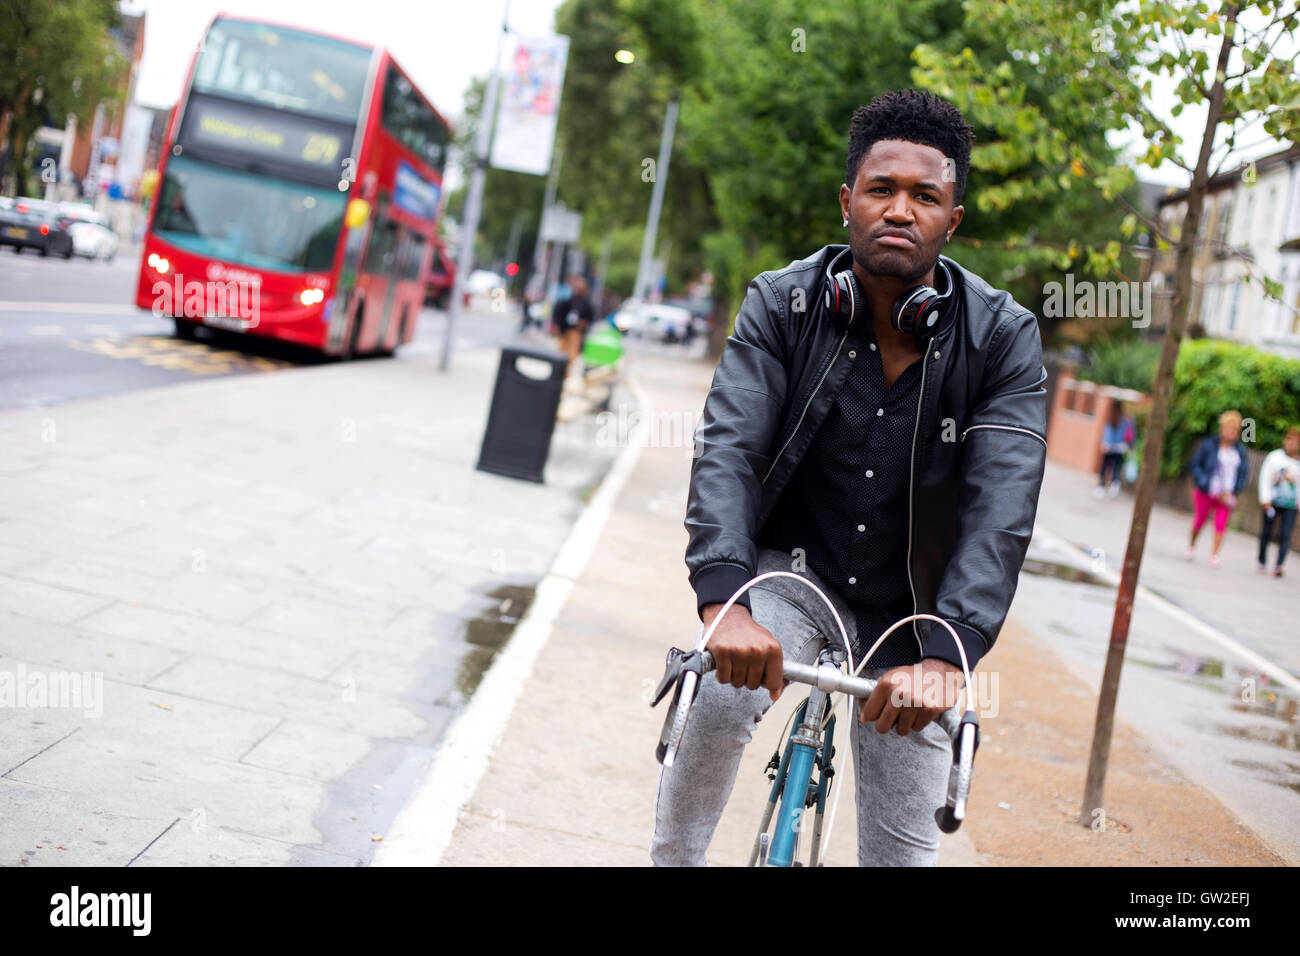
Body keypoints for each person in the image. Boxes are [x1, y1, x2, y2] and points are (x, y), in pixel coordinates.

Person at [653, 89, 1048, 867]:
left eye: (925, 196)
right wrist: (721, 597)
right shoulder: (781, 302)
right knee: (717, 697)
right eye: (881, 190)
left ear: (952, 219)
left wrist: (949, 653)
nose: (901, 209)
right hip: (790, 579)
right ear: (848, 202)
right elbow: (730, 446)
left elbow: (1001, 506)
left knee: (902, 855)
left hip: (916, 617)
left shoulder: (1003, 338)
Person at [1186, 410, 1251, 568]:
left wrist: (1236, 490)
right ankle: (1192, 544)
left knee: (1221, 523)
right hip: (1207, 490)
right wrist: (1203, 483)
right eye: (1229, 428)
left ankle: (1214, 555)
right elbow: (1195, 465)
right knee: (1200, 521)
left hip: (1226, 494)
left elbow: (1243, 473)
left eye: (1235, 430)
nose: (1231, 433)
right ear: (1222, 428)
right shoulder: (1209, 445)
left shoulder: (1240, 451)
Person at [1257, 426, 1300, 577]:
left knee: (1285, 534)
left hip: (1291, 505)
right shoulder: (1274, 457)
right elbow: (1265, 477)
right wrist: (1265, 499)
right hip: (1272, 501)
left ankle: (1279, 565)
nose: (1291, 444)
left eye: (1295, 441)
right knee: (1266, 532)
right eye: (1288, 440)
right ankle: (1262, 559)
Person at [552, 274, 592, 376]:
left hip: (576, 332)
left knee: (572, 355)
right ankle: (558, 371)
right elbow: (559, 313)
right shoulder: (568, 300)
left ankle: (566, 374)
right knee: (561, 352)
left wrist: (583, 323)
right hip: (564, 330)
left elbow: (590, 317)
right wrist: (556, 325)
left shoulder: (586, 304)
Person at [1096, 401, 1130, 499]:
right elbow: (1126, 435)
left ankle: (1101, 488)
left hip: (1109, 447)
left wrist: (1105, 443)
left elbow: (1107, 432)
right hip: (1120, 448)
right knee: (1115, 468)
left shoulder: (1111, 417)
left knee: (1104, 467)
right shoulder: (1125, 419)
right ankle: (1114, 485)